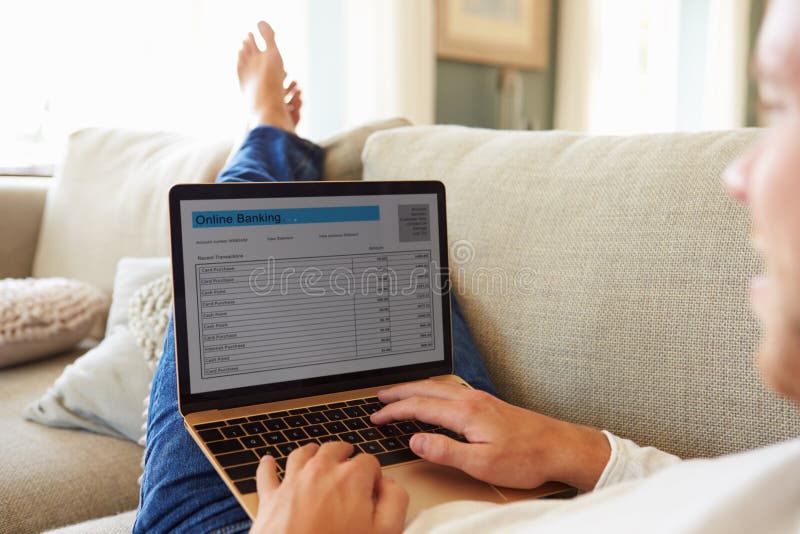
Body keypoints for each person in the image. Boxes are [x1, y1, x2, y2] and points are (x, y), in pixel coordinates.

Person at [136, 0, 800, 529]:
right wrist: (574, 450)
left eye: (781, 110)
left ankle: (266, 134)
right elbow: (712, 496)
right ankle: (268, 139)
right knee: (408, 285)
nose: (739, 174)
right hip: (509, 476)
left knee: (237, 217)